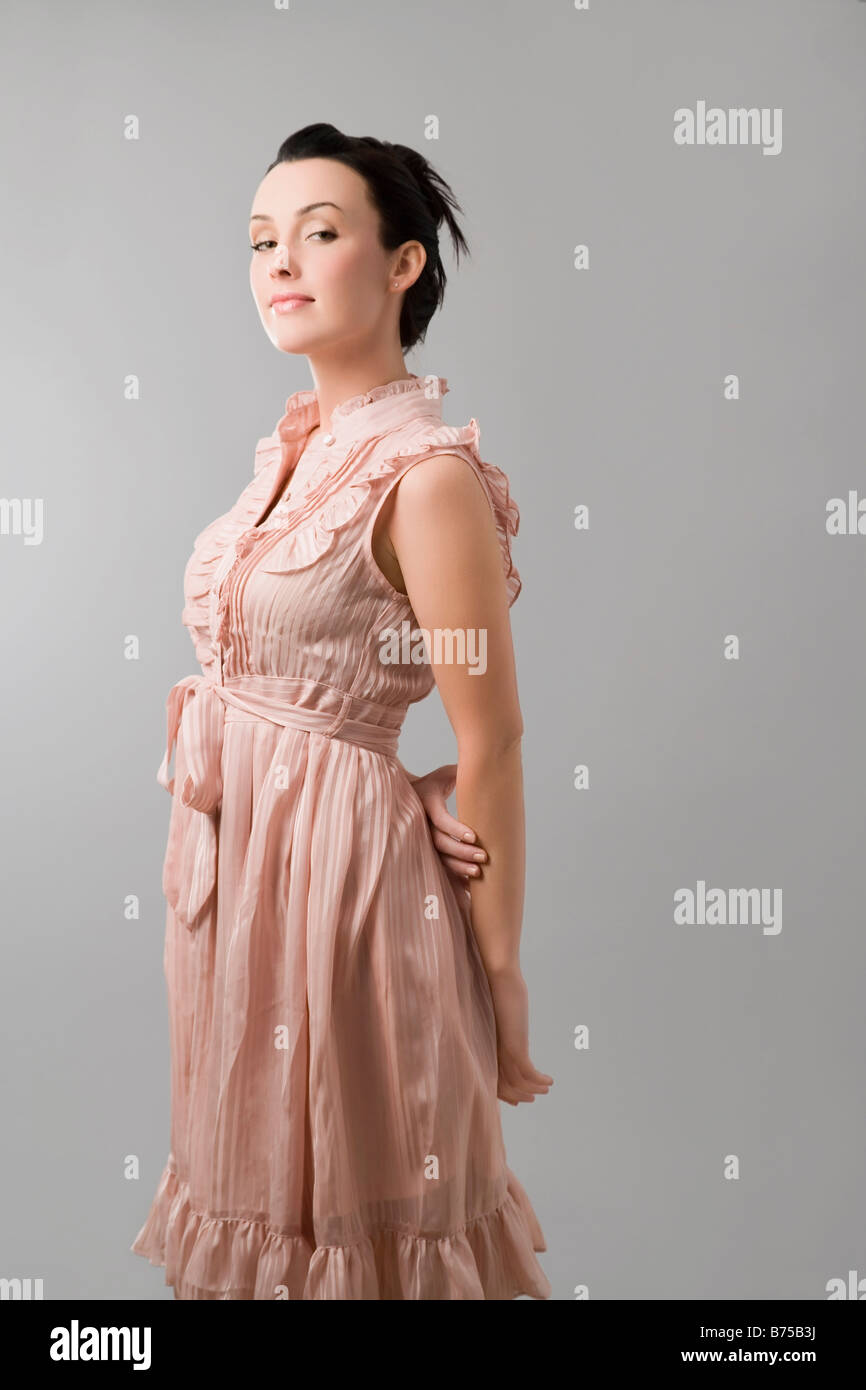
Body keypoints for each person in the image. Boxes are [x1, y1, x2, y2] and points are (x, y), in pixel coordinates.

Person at [131, 122, 553, 1300]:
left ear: (401, 262)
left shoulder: (426, 477)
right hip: (235, 885)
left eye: (319, 233)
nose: (281, 262)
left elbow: (493, 735)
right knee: (251, 1179)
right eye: (262, 239)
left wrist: (501, 975)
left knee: (363, 1201)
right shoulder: (288, 453)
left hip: (344, 890)